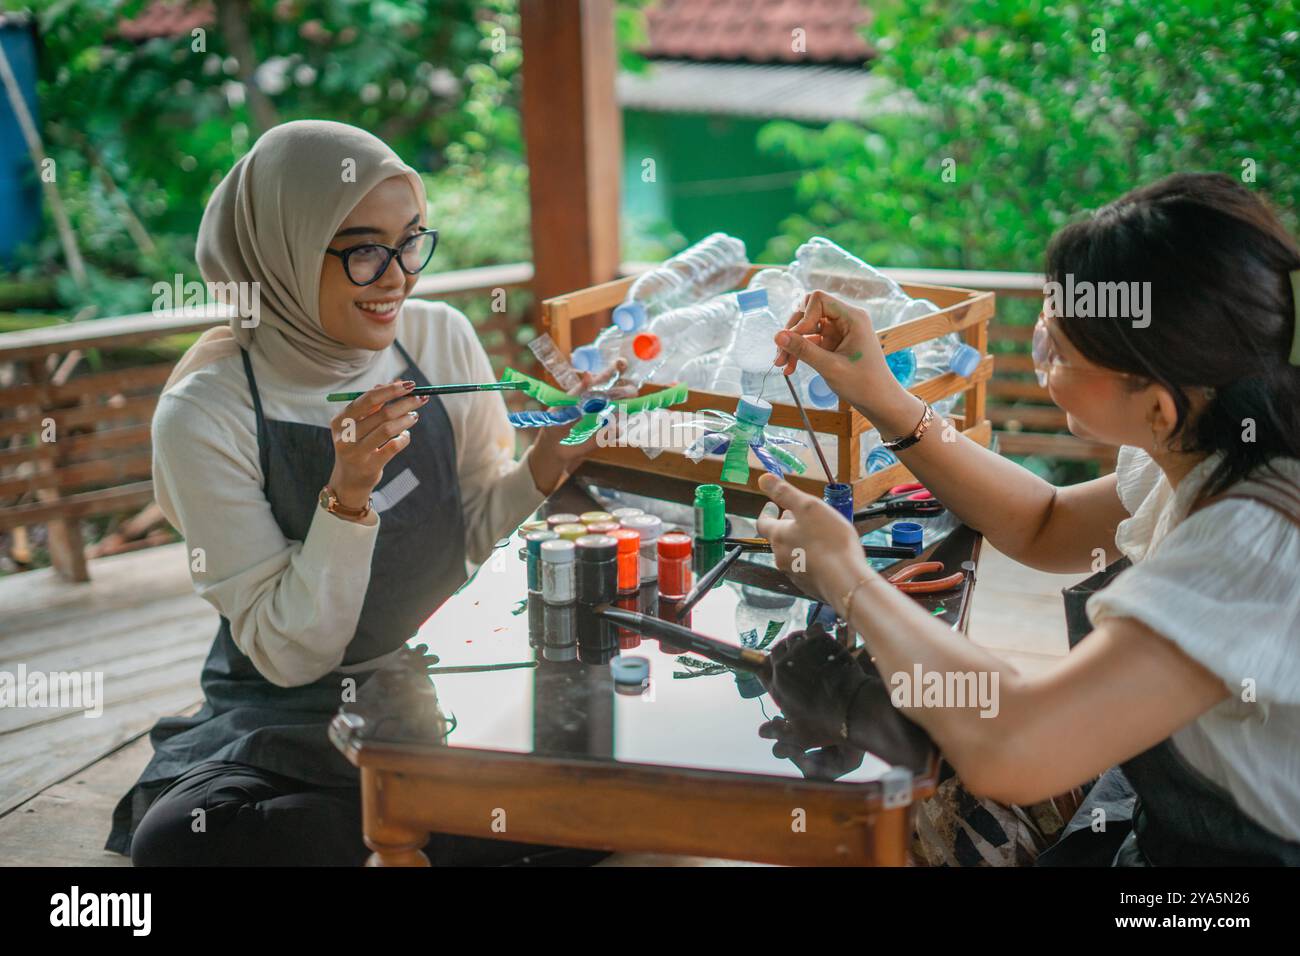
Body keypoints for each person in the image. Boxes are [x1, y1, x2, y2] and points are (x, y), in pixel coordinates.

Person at [755, 173, 1300, 865]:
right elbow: (1043, 522)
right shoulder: (1214, 448)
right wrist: (884, 397)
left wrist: (846, 577)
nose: (1041, 351)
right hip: (1155, 811)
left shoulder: (1251, 544)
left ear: (1159, 406)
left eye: (1060, 352)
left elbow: (1014, 750)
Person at [106, 120, 611, 866]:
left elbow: (471, 538)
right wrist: (346, 497)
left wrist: (544, 466)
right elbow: (291, 656)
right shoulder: (208, 410)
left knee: (605, 781)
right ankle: (432, 826)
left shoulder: (436, 338)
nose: (399, 275)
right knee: (187, 839)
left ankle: (403, 828)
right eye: (364, 250)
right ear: (281, 254)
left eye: (410, 240)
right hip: (289, 713)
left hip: (441, 684)